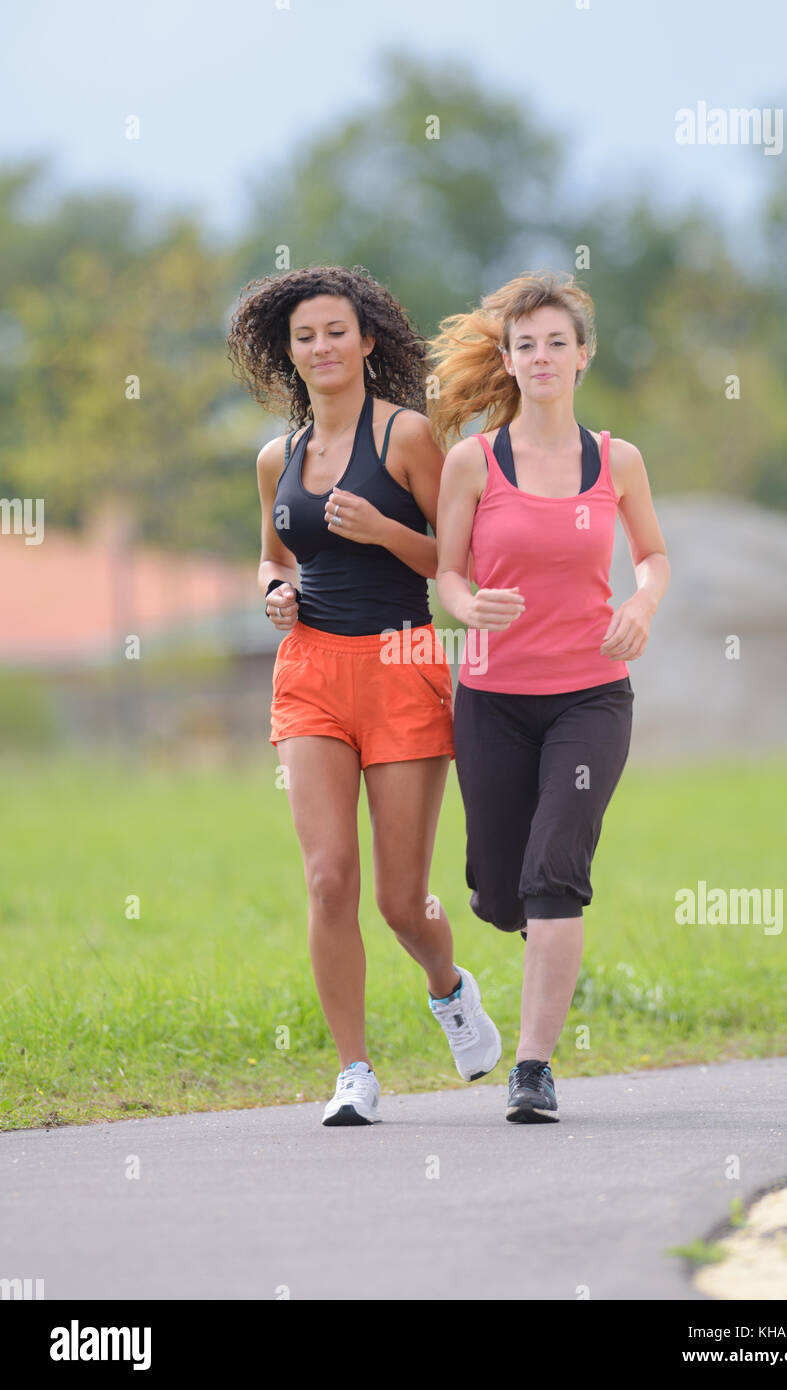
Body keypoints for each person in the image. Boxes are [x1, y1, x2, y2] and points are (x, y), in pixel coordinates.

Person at [227, 265, 501, 1126]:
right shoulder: (279, 457)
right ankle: (354, 1072)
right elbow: (276, 554)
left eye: (336, 331)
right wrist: (274, 590)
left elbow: (457, 563)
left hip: (402, 662)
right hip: (309, 673)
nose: (321, 347)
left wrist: (386, 531)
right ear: (289, 355)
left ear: (367, 340)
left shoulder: (409, 438)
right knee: (326, 878)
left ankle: (448, 989)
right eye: (304, 337)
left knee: (396, 900)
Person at [429, 270, 669, 1123]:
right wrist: (465, 605)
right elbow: (446, 570)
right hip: (491, 699)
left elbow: (652, 556)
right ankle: (523, 919)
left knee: (552, 876)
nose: (540, 356)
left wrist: (641, 602)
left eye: (555, 343)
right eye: (524, 344)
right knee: (501, 891)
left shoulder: (617, 460)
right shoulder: (472, 462)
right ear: (507, 357)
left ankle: (531, 1070)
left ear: (582, 357)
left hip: (590, 699)